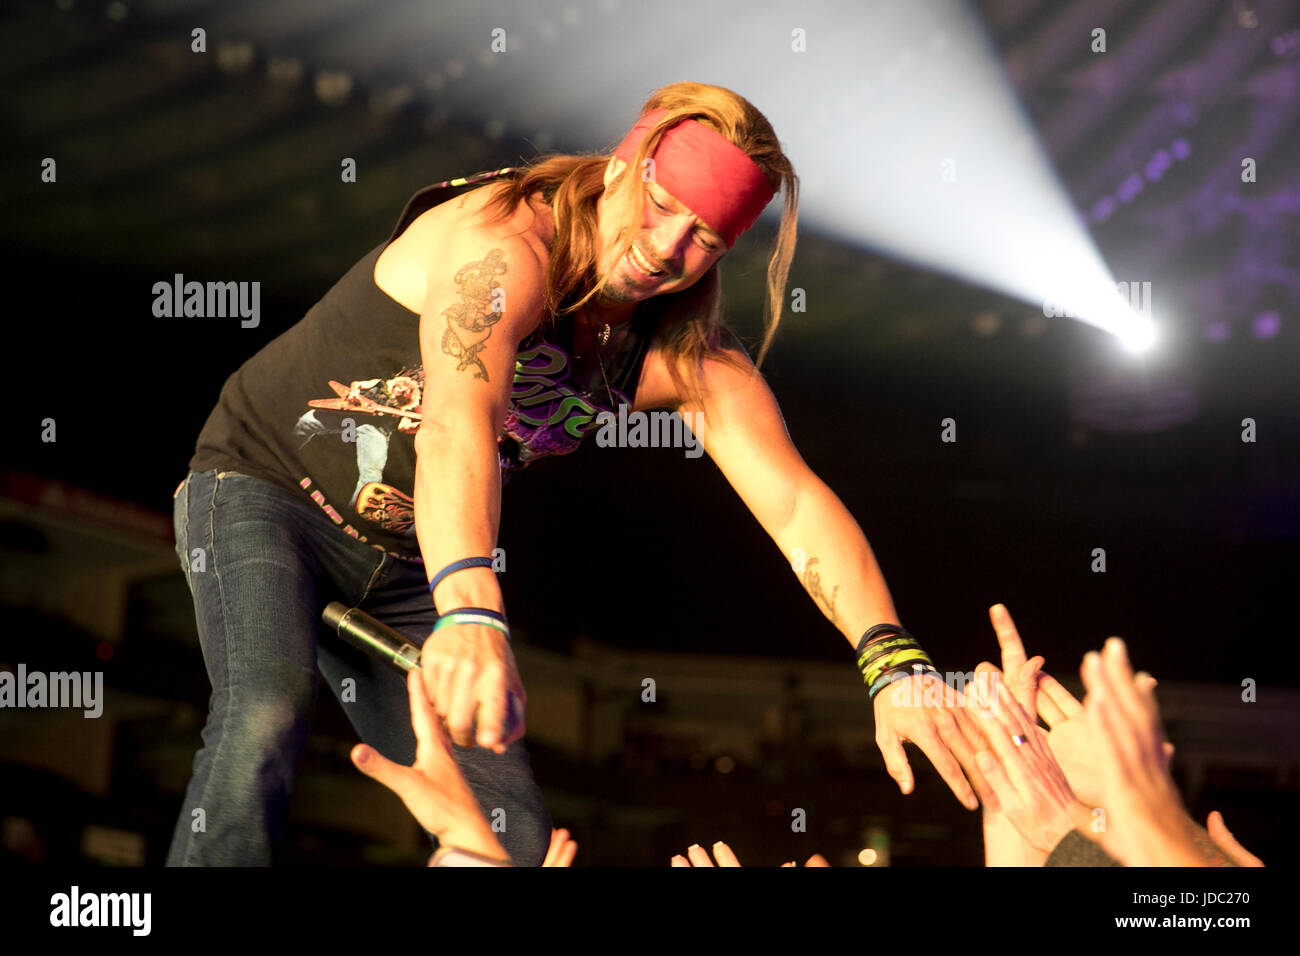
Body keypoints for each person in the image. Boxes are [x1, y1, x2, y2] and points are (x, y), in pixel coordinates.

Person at [168, 80, 986, 867]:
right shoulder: (505, 247)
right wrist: (474, 614)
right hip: (265, 491)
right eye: (663, 207)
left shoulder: (681, 353)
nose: (668, 248)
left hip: (409, 563)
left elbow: (795, 503)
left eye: (704, 237)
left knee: (513, 836)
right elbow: (461, 424)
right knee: (266, 714)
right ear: (625, 167)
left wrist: (895, 664)